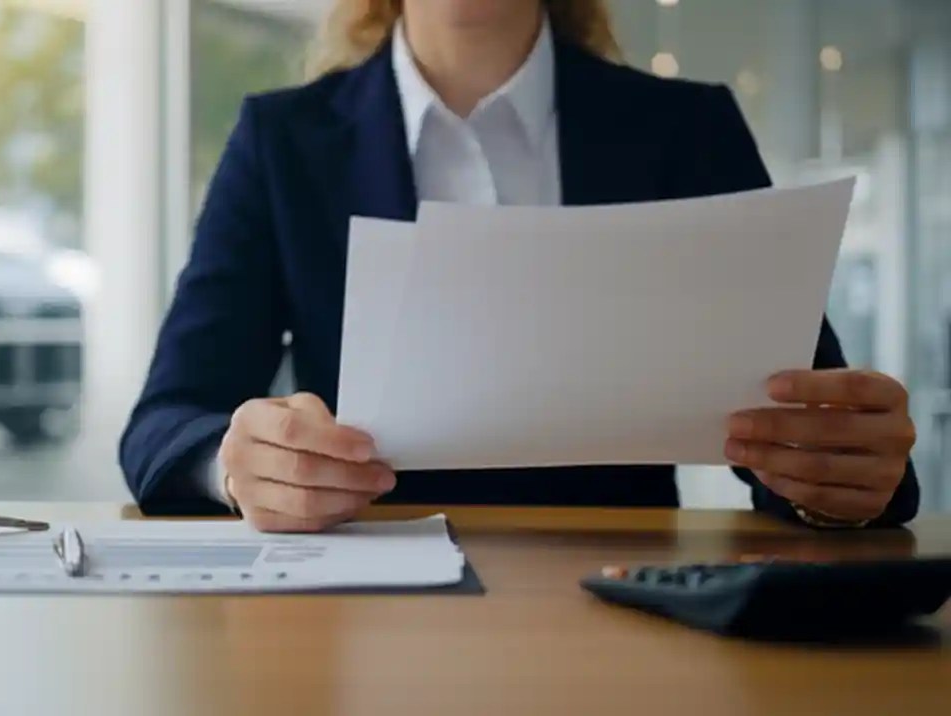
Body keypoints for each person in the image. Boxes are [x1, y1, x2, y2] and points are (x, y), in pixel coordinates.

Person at [121, 0, 920, 531]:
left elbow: (810, 429)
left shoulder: (686, 130)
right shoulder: (282, 142)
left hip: (634, 619)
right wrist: (236, 466)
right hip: (353, 618)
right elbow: (167, 422)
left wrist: (842, 477)